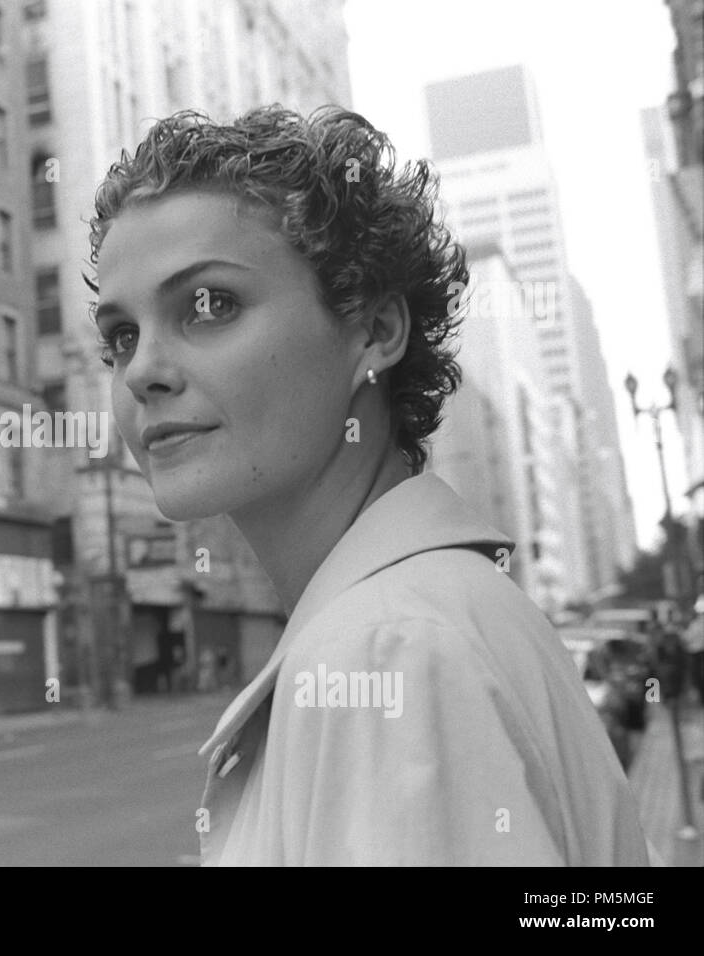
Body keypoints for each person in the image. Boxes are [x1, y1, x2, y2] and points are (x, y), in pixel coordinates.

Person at [86, 105, 650, 865]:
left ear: (376, 331)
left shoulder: (383, 650)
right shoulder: (419, 616)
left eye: (209, 305)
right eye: (122, 335)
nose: (143, 371)